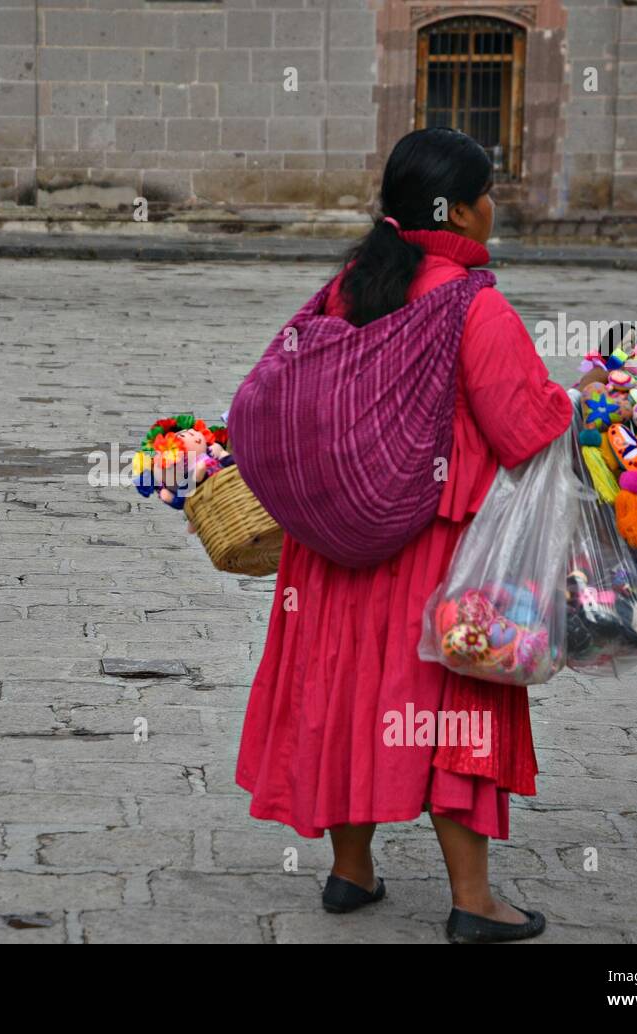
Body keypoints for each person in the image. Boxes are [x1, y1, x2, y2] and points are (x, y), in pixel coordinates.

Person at [234, 127, 573, 944]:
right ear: (454, 209)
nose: (494, 208)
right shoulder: (472, 305)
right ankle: (473, 901)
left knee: (348, 698)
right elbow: (525, 427)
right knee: (450, 710)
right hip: (435, 556)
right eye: (485, 193)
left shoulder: (350, 285)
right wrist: (579, 404)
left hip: (335, 554)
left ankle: (351, 875)